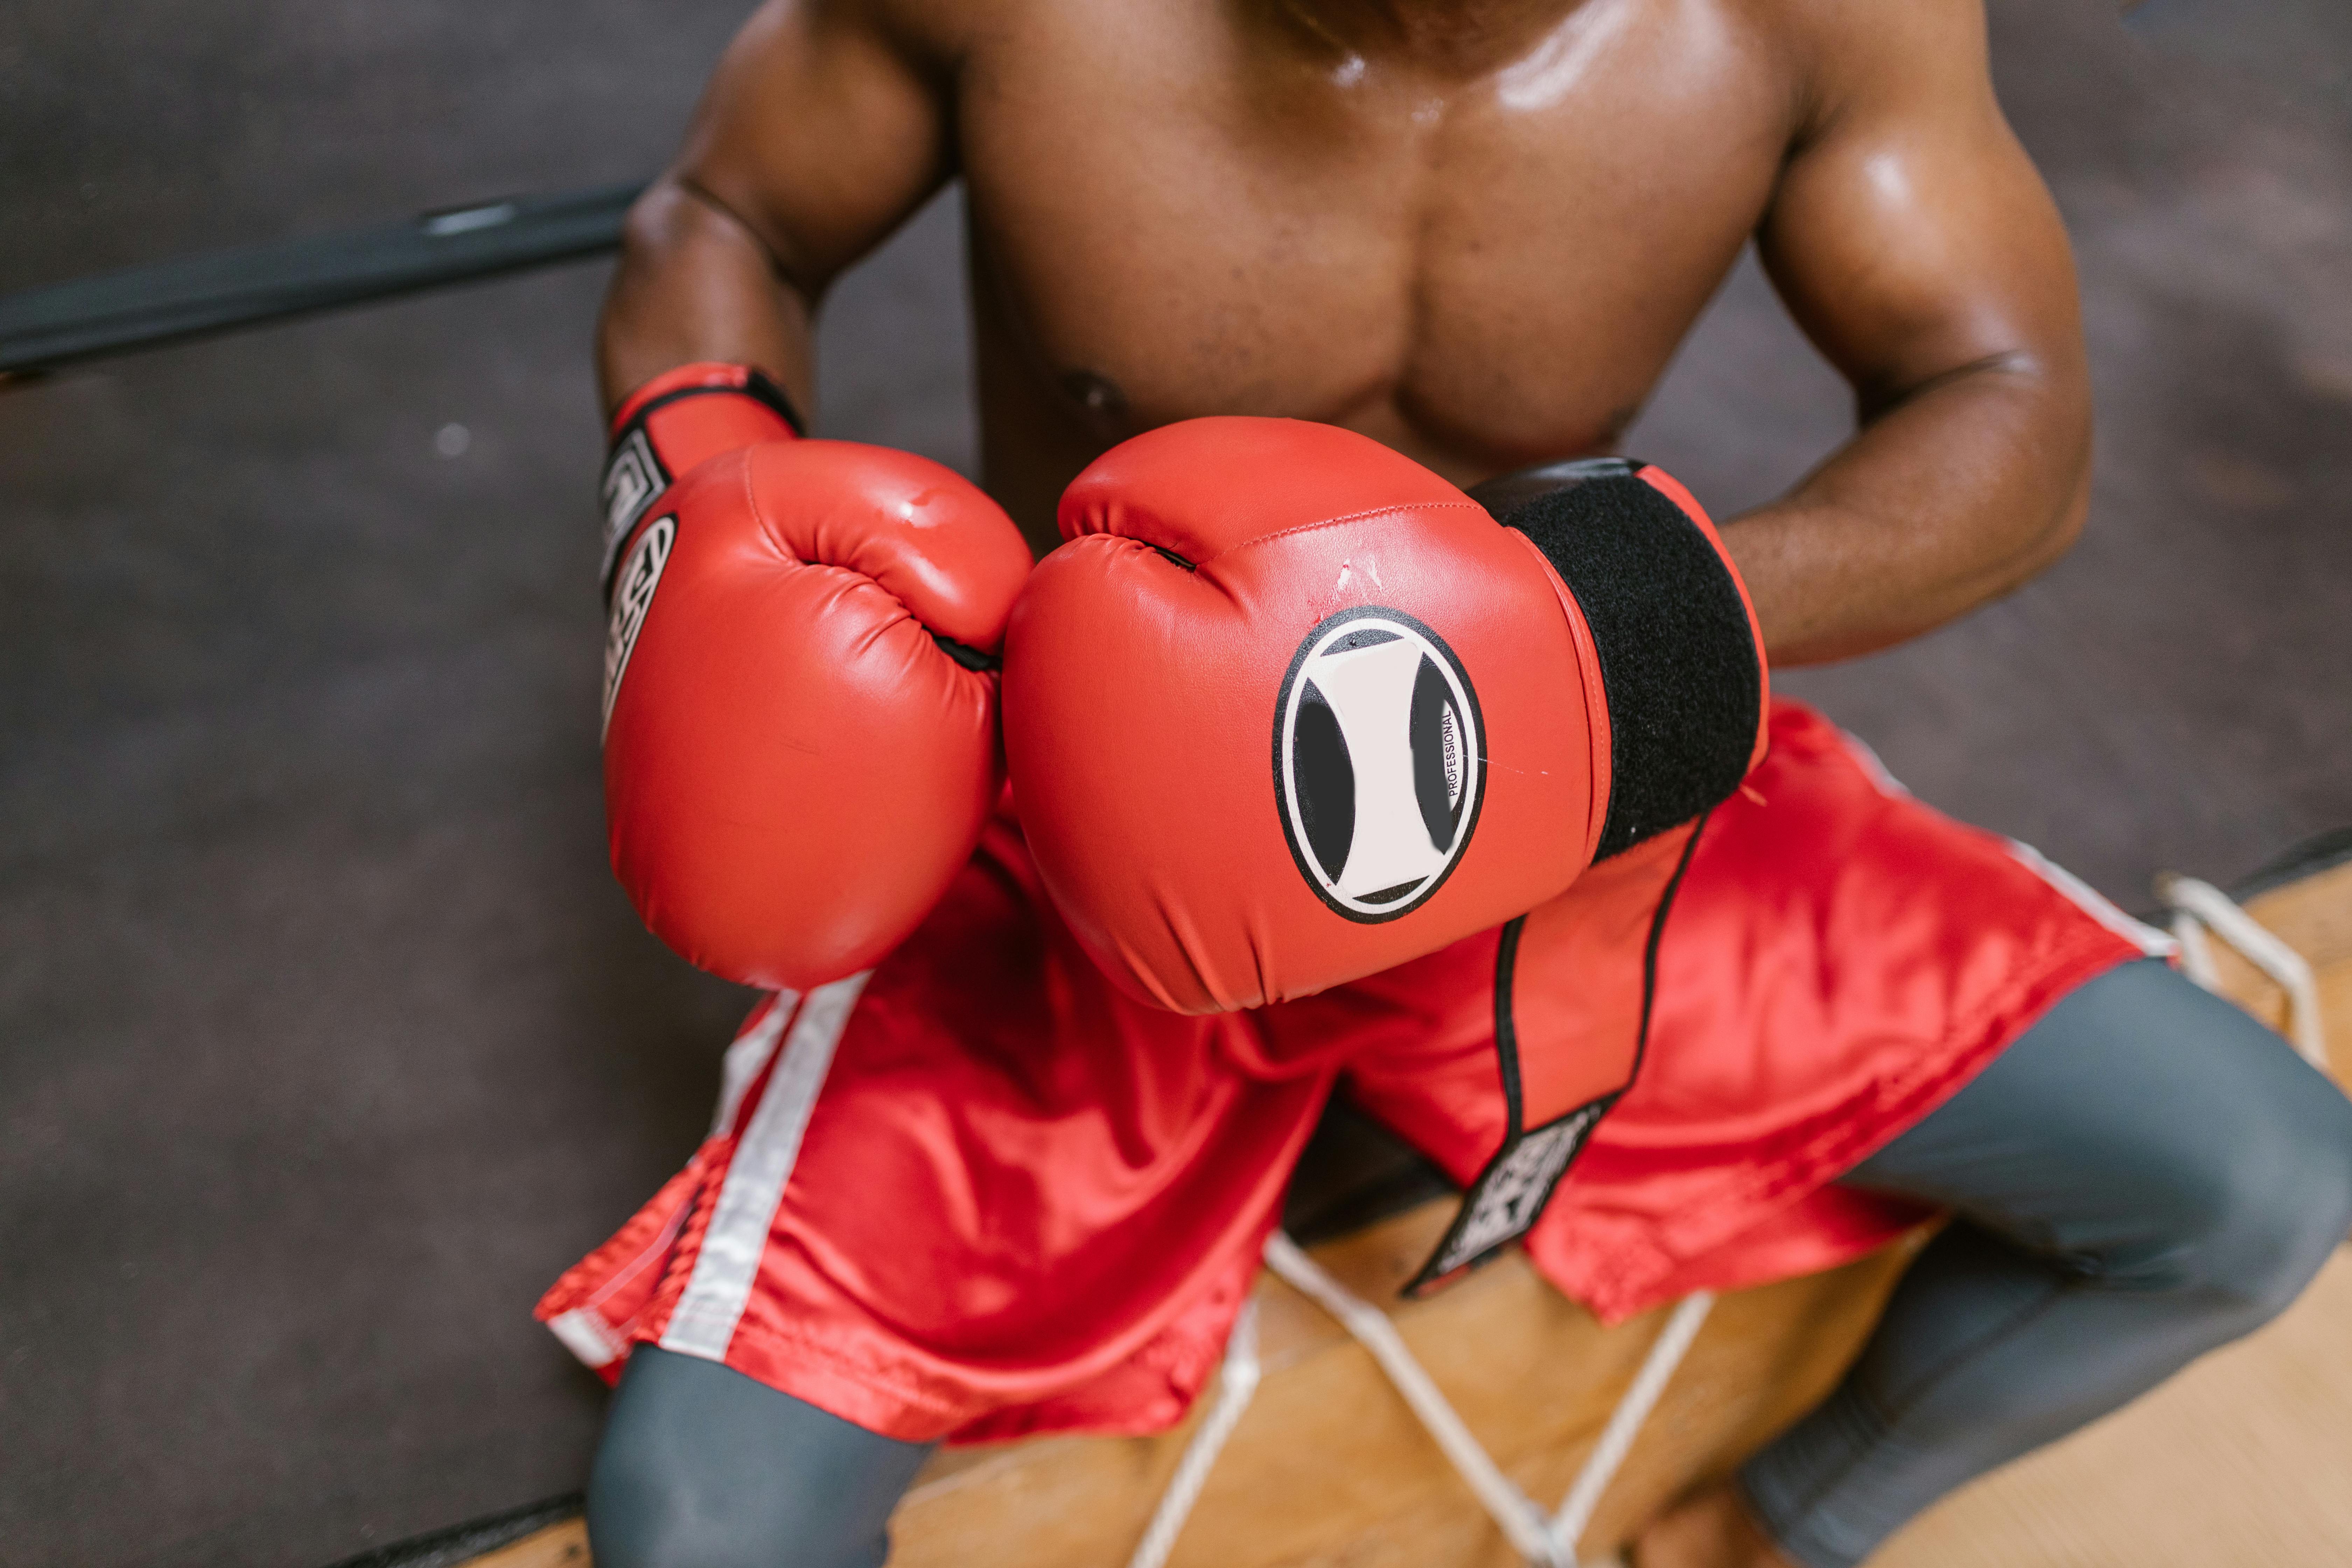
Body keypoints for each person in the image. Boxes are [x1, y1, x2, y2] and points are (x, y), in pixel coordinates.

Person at [537, 1, 2352, 1564]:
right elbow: (729, 214)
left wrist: (1587, 637)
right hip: (1069, 845)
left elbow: (2008, 404)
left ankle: (1760, 1540)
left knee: (2255, 1182)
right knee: (704, 1521)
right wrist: (699, 499)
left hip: (1558, 789)